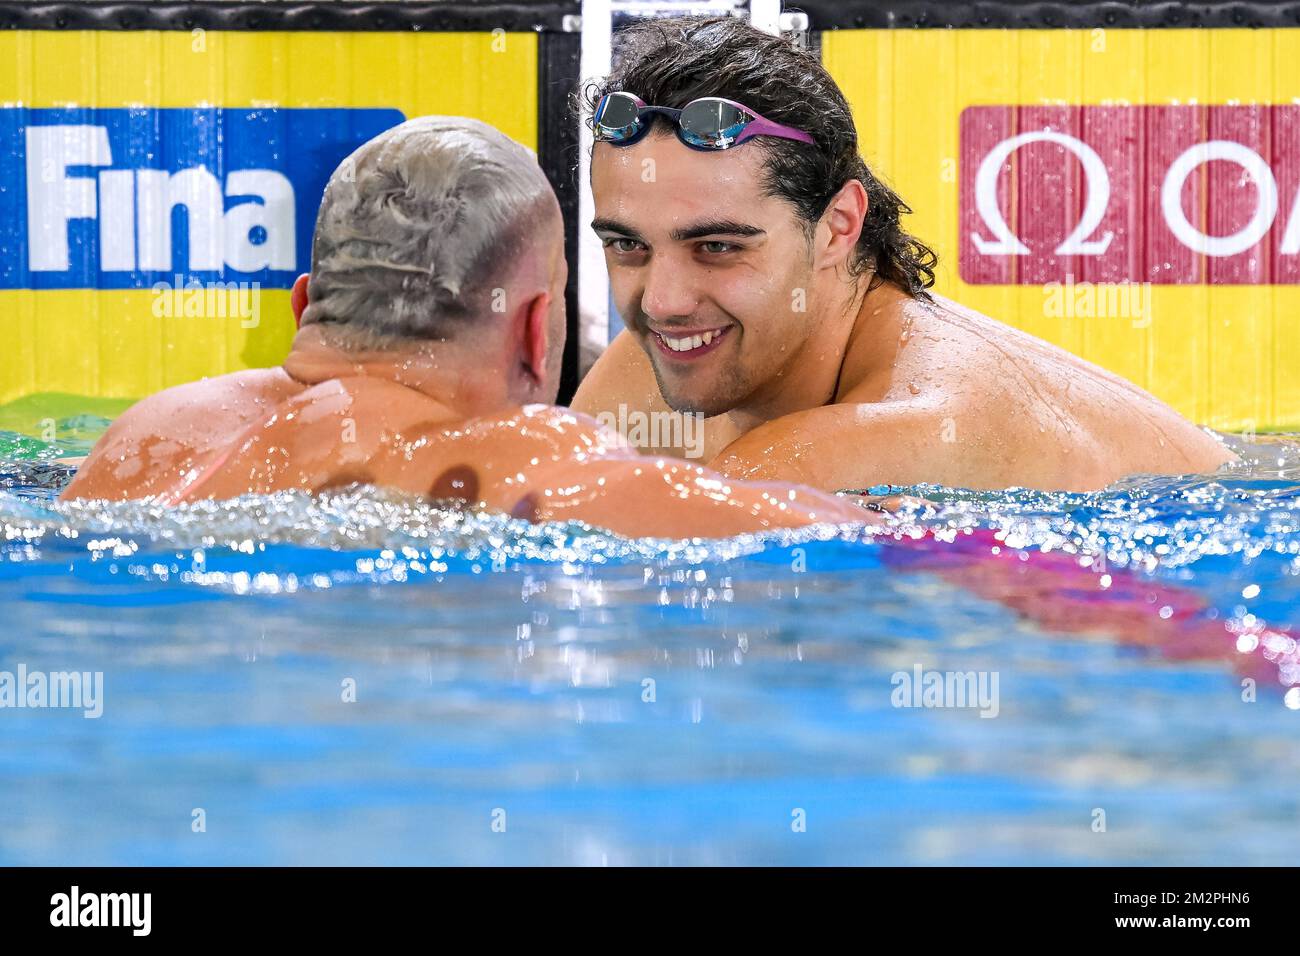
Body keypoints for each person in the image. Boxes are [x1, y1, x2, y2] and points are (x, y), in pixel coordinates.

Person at [61, 117, 868, 539]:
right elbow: (867, 552)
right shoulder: (532, 464)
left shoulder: (150, 434)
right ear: (534, 330)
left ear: (304, 307)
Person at [571, 15, 1235, 492]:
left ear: (838, 227)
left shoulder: (913, 420)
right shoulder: (668, 355)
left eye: (716, 248)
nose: (661, 302)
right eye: (628, 246)